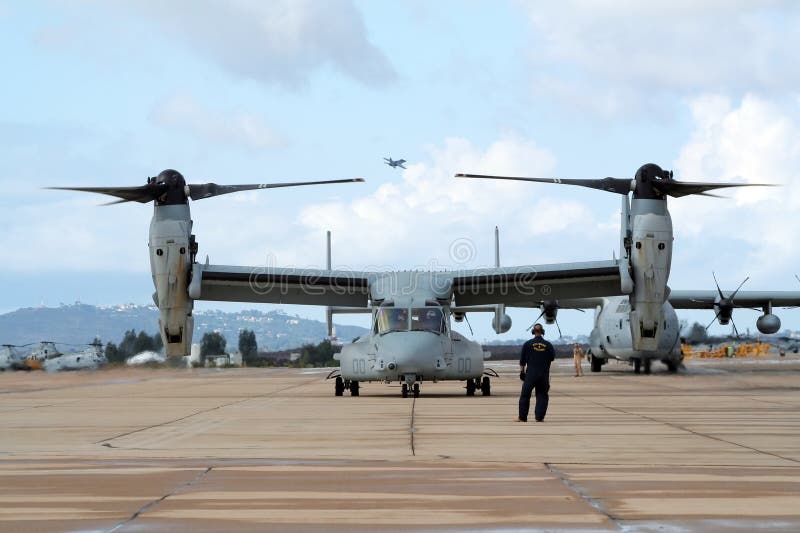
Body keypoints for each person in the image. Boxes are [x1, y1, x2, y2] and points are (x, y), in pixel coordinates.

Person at [516, 323, 556, 422]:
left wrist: (522, 372)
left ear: (533, 332)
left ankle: (522, 417)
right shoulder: (548, 345)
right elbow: (552, 358)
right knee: (542, 395)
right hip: (543, 374)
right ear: (542, 332)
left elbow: (522, 361)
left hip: (531, 374)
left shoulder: (527, 344)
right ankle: (539, 417)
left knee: (525, 395)